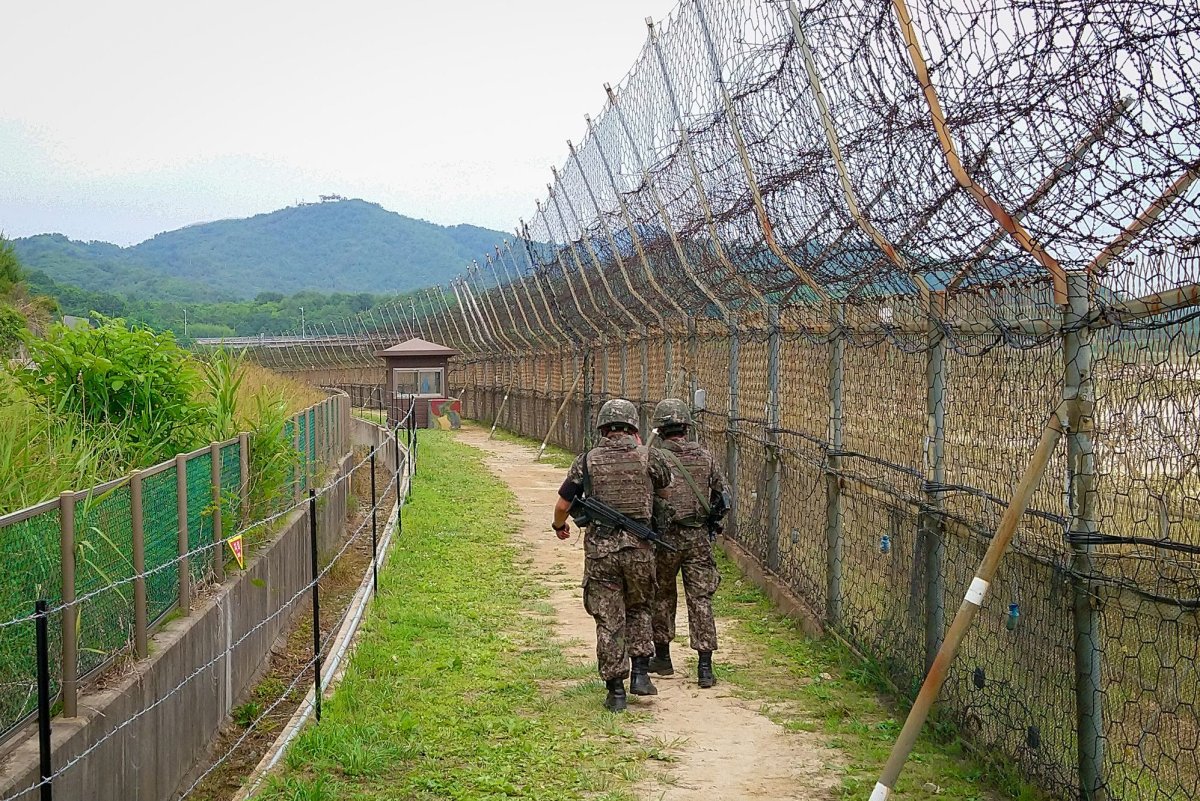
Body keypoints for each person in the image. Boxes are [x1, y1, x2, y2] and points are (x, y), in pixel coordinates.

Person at [551, 398, 673, 712]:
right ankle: (641, 675)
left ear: (603, 428)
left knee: (608, 618)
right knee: (640, 608)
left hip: (601, 554)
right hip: (640, 550)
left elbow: (563, 505)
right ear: (633, 427)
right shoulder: (650, 456)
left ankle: (616, 691)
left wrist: (559, 526)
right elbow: (664, 493)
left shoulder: (587, 460)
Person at [647, 398, 730, 688]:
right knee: (701, 599)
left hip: (665, 539)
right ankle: (705, 668)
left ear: (660, 429)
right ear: (686, 427)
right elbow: (724, 495)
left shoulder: (655, 458)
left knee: (662, 595)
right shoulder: (705, 457)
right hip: (698, 538)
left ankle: (663, 657)